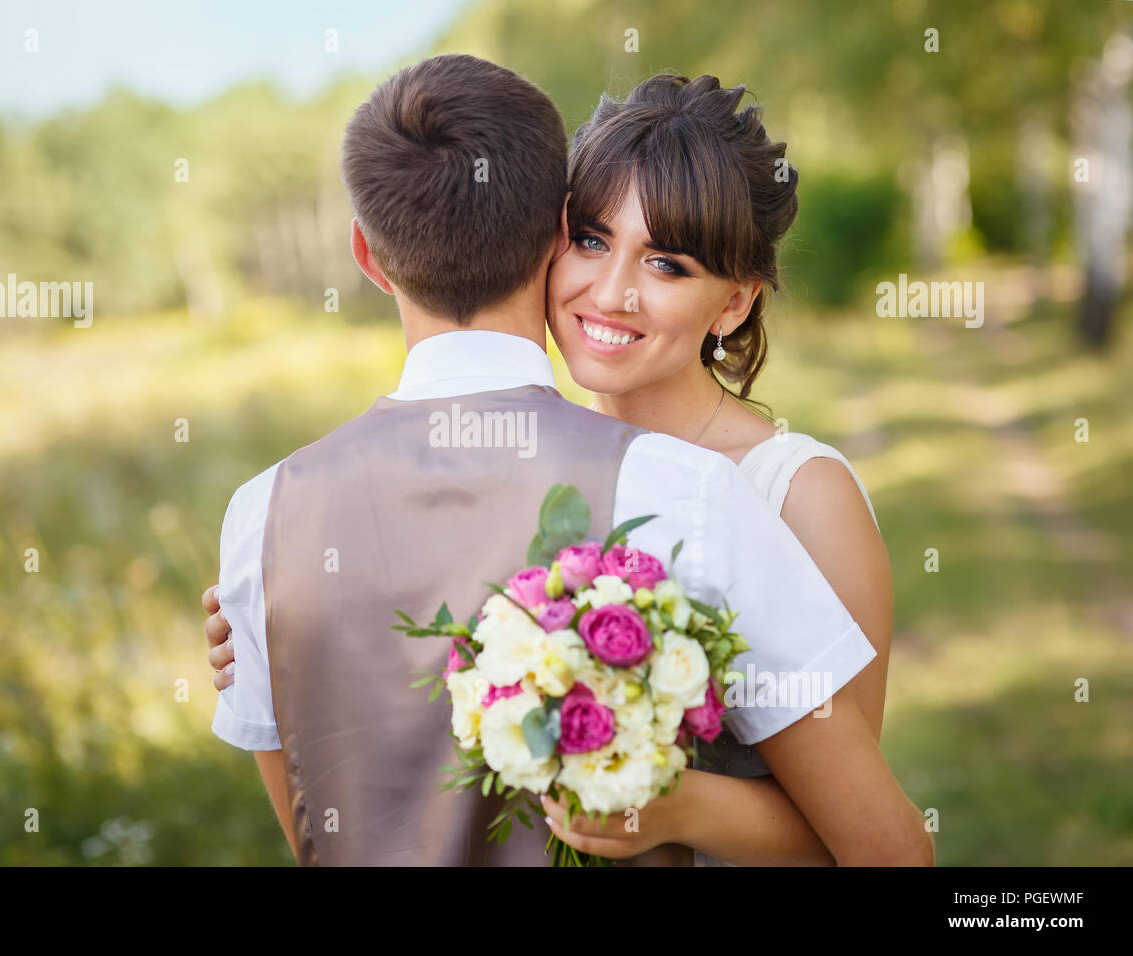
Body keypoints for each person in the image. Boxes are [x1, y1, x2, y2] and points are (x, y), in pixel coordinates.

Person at [205, 53, 930, 866]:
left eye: (667, 263)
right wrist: (282, 612)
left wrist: (674, 803)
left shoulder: (752, 495)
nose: (612, 291)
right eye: (592, 240)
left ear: (735, 301)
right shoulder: (645, 484)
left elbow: (866, 839)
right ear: (552, 235)